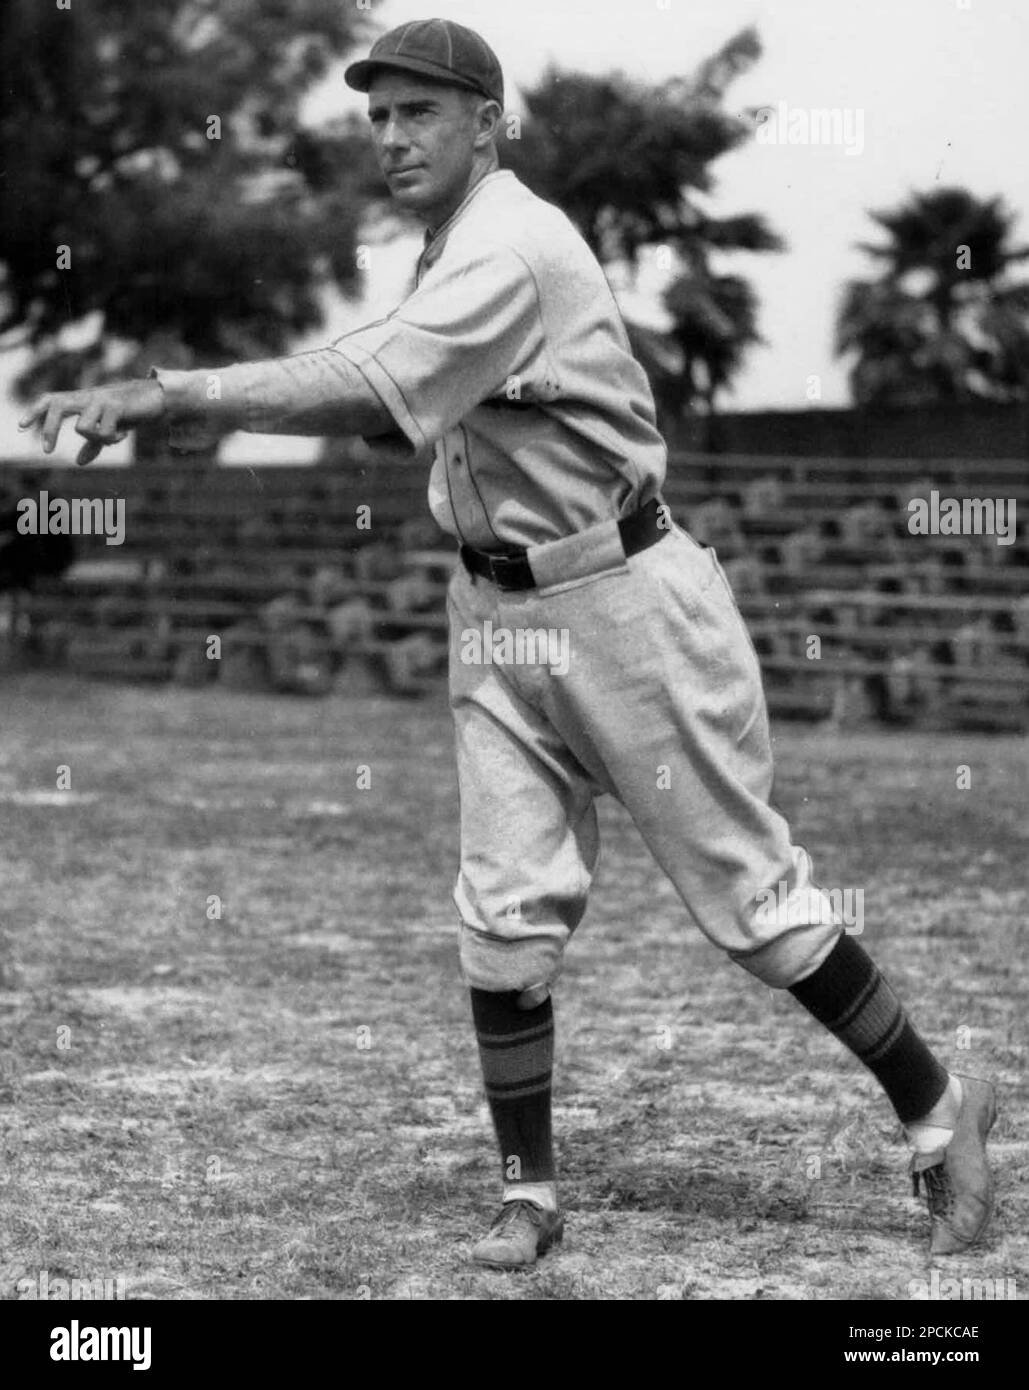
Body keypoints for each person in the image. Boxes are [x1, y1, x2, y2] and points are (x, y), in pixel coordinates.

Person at [19, 18, 996, 1272]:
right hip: (495, 611)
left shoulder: (514, 240)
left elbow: (374, 385)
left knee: (754, 905)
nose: (389, 134)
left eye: (417, 110)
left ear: (487, 121)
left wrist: (168, 392)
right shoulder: (446, 250)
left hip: (624, 601)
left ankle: (935, 1106)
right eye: (375, 114)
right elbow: (409, 407)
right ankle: (529, 1193)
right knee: (502, 915)